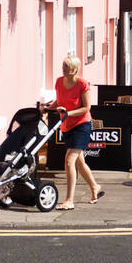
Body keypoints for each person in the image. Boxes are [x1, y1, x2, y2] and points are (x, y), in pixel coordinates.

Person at [53, 56, 102, 210]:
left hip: (82, 125)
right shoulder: (59, 82)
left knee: (69, 160)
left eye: (66, 66)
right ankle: (95, 186)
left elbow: (87, 107)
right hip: (67, 125)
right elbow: (59, 101)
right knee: (80, 163)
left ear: (74, 69)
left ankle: (69, 200)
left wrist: (69, 113)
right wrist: (48, 108)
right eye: (63, 66)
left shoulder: (82, 84)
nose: (63, 69)